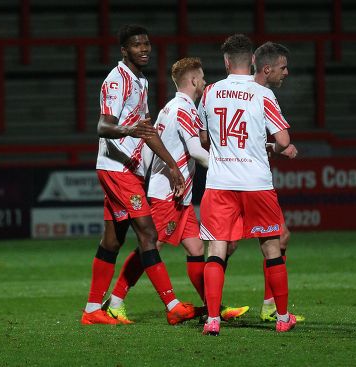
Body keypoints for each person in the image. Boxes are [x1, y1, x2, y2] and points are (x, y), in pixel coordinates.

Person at [103, 57, 249, 323]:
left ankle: (213, 307)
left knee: (195, 250)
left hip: (177, 195)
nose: (204, 81)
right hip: (168, 195)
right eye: (202, 77)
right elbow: (194, 151)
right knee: (149, 247)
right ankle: (115, 300)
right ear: (193, 80)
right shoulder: (185, 109)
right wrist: (227, 167)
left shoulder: (169, 108)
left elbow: (150, 146)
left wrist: (148, 177)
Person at [81, 24, 195, 325]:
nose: (143, 49)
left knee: (112, 242)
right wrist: (128, 130)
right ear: (124, 50)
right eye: (136, 45)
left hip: (129, 169)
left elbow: (147, 131)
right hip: (117, 168)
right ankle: (172, 306)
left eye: (146, 44)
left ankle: (93, 310)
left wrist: (171, 164)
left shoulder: (140, 81)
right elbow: (103, 127)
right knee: (148, 232)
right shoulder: (117, 81)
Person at [198, 34, 297, 335]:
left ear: (226, 61)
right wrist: (271, 148)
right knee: (271, 248)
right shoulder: (261, 94)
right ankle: (281, 318)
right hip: (256, 183)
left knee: (216, 249)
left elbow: (204, 140)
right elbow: (283, 140)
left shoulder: (210, 92)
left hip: (220, 182)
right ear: (252, 60)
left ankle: (213, 319)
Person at [224, 41, 304, 323]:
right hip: (245, 182)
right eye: (283, 68)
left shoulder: (235, 91)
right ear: (267, 68)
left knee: (279, 237)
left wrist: (271, 147)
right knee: (228, 245)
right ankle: (210, 306)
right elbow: (281, 139)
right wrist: (279, 146)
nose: (287, 73)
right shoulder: (257, 94)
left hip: (234, 179)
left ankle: (269, 306)